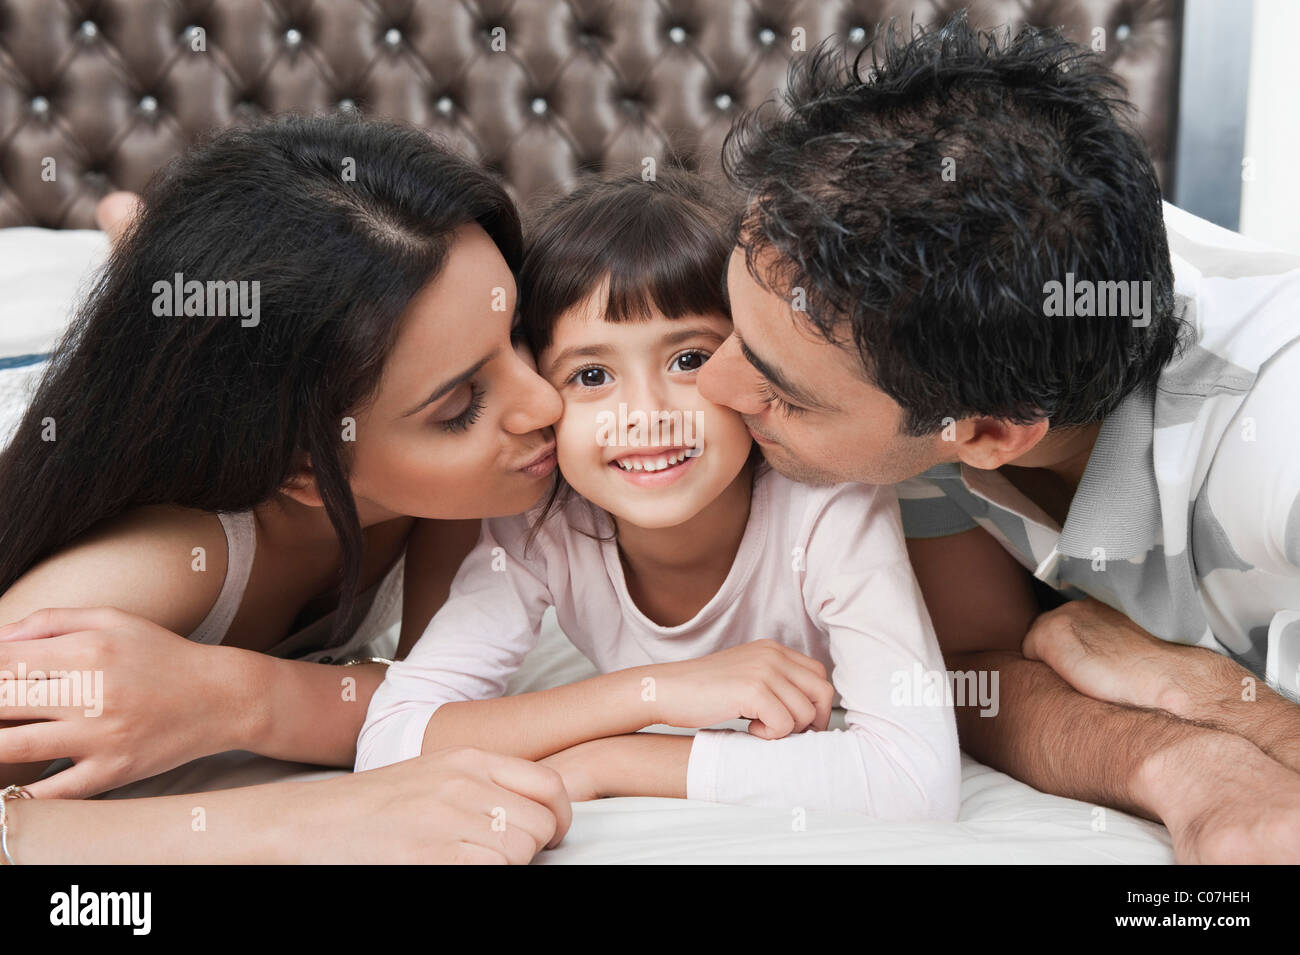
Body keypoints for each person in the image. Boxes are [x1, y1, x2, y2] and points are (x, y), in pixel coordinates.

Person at [694, 17, 1300, 863]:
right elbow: (974, 662)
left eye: (780, 392)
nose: (711, 388)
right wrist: (1183, 761)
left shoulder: (1280, 457)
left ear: (989, 434)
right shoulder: (948, 317)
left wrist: (1208, 695)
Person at [0, 114, 571, 863]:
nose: (547, 404)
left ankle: (129, 229)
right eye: (461, 405)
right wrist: (304, 820)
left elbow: (443, 701)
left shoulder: (459, 482)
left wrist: (238, 694)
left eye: (519, 333)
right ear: (302, 465)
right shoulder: (145, 571)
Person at [355, 171, 960, 820]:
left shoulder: (827, 501)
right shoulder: (540, 523)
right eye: (592, 374)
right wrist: (654, 694)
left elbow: (913, 779)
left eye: (689, 360)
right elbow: (390, 743)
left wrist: (613, 760)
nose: (644, 415)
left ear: (749, 359)